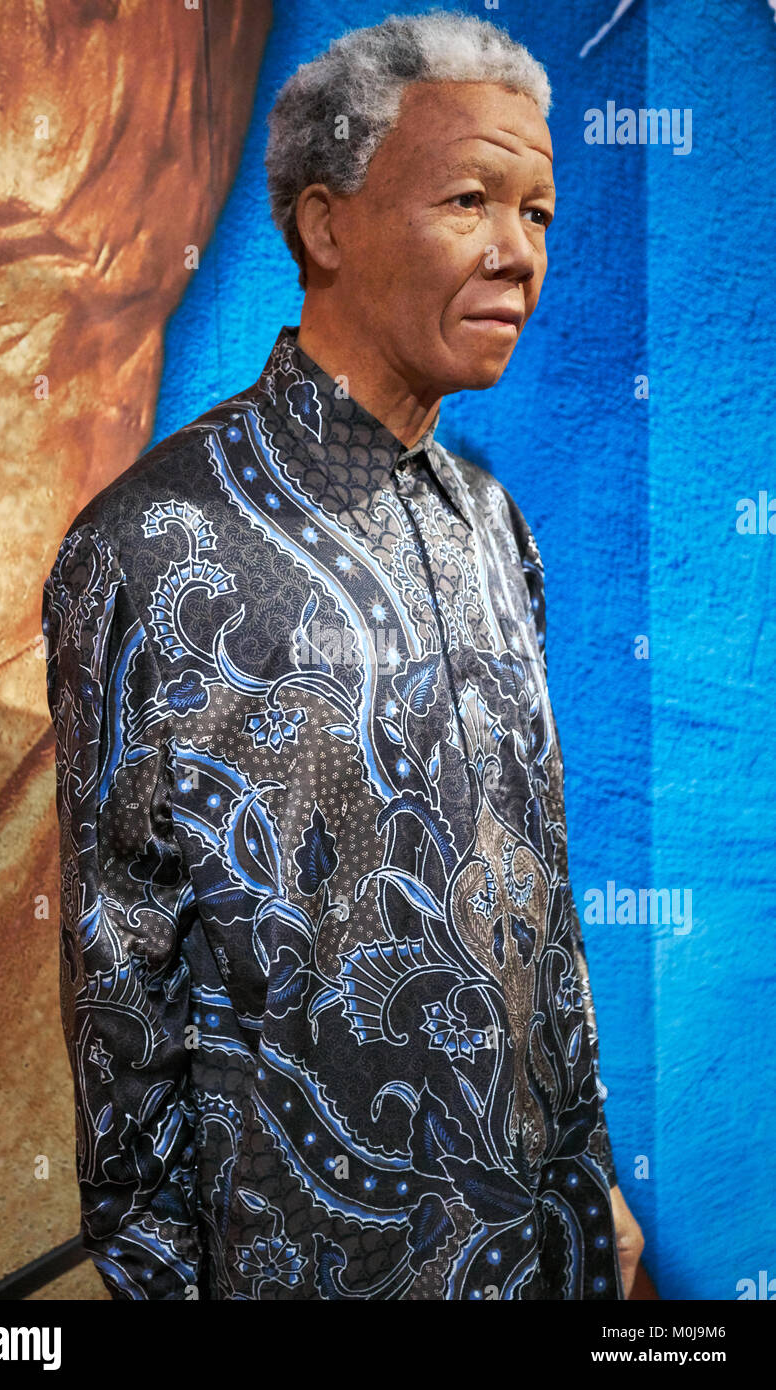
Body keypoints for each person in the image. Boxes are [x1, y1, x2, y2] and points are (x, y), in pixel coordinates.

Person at [42, 9, 644, 1300]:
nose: (518, 255)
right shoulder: (149, 547)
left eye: (537, 215)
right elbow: (119, 1004)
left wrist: (590, 1190)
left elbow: (536, 910)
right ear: (326, 224)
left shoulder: (493, 529)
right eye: (473, 198)